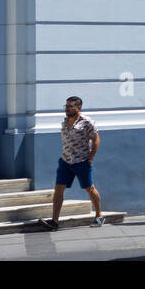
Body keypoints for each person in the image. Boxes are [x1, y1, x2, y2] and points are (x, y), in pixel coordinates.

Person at [39, 96, 105, 230]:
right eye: (66, 106)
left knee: (89, 188)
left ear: (78, 107)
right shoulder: (64, 122)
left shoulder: (87, 122)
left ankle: (99, 215)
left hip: (81, 161)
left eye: (70, 106)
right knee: (58, 190)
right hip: (65, 161)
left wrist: (90, 158)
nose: (67, 109)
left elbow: (96, 140)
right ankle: (54, 221)